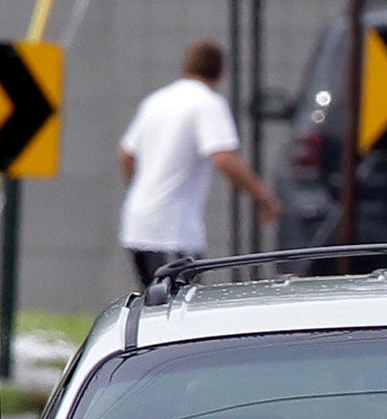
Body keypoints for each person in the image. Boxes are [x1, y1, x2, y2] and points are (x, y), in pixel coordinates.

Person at [118, 41, 280, 291]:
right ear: (220, 73)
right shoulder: (207, 104)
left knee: (152, 303)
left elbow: (126, 155)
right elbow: (224, 158)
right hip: (172, 231)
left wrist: (140, 188)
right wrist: (263, 197)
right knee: (178, 308)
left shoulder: (156, 101)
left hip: (138, 223)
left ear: (186, 66)